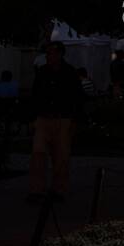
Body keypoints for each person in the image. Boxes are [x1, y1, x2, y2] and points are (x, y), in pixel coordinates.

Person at [28, 41, 85, 202]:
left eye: (51, 53)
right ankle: (37, 189)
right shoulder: (43, 72)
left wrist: (74, 120)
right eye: (47, 53)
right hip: (44, 118)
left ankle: (59, 189)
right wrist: (33, 117)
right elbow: (35, 95)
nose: (48, 56)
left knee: (61, 156)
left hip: (62, 118)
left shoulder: (69, 73)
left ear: (59, 54)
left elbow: (77, 98)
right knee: (38, 154)